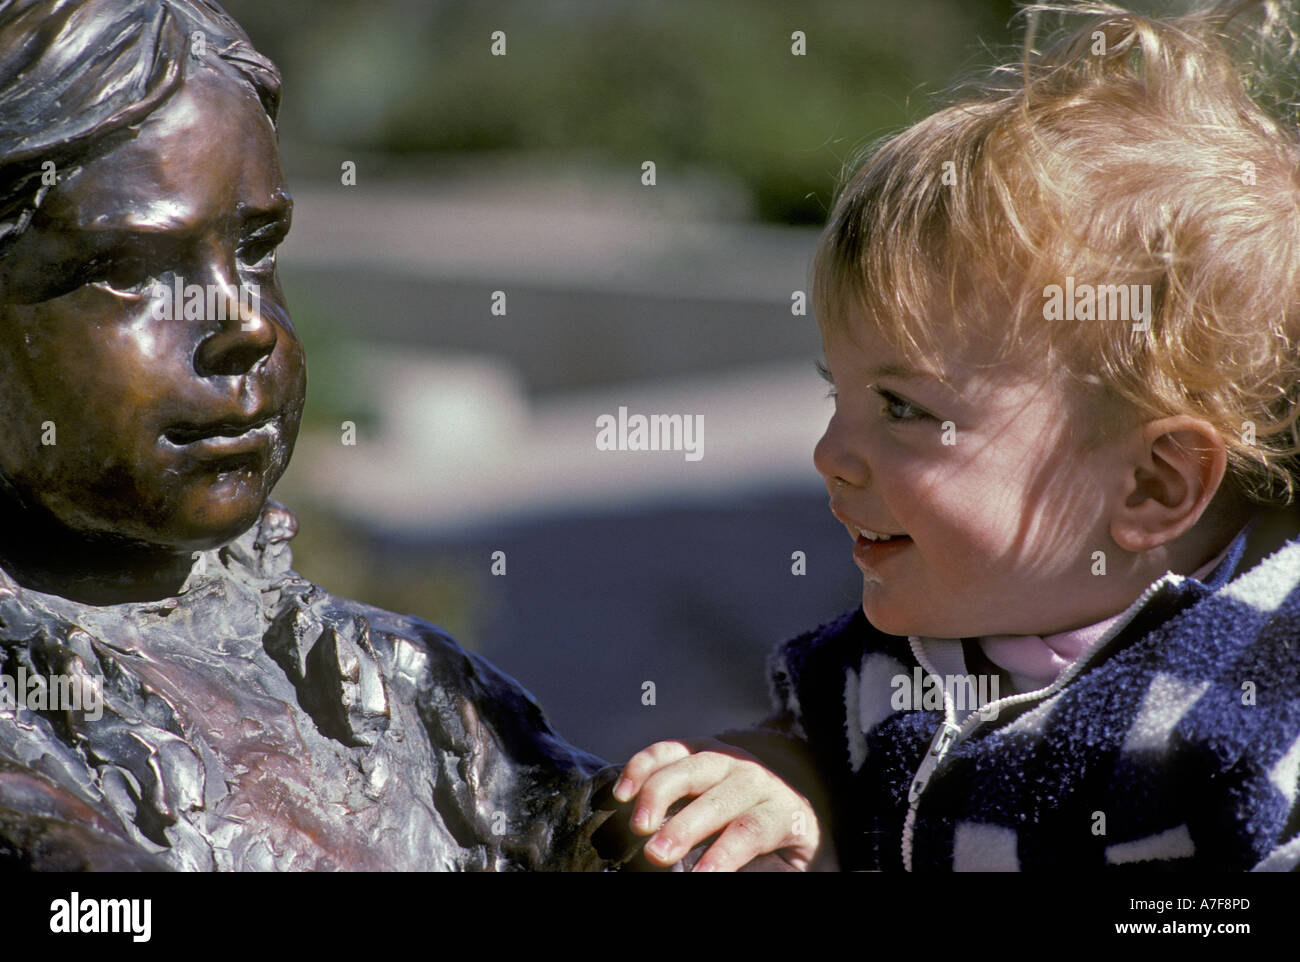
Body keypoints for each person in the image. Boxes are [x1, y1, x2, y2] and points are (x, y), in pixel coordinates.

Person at [615, 0, 1300, 871]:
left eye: (904, 407)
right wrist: (781, 783)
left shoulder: (1258, 704)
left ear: (1153, 484)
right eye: (843, 392)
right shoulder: (890, 661)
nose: (830, 453)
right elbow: (826, 759)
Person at [0, 0, 634, 871]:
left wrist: (709, 820)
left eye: (257, 251)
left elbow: (589, 835)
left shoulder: (414, 690)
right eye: (130, 271)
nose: (246, 326)